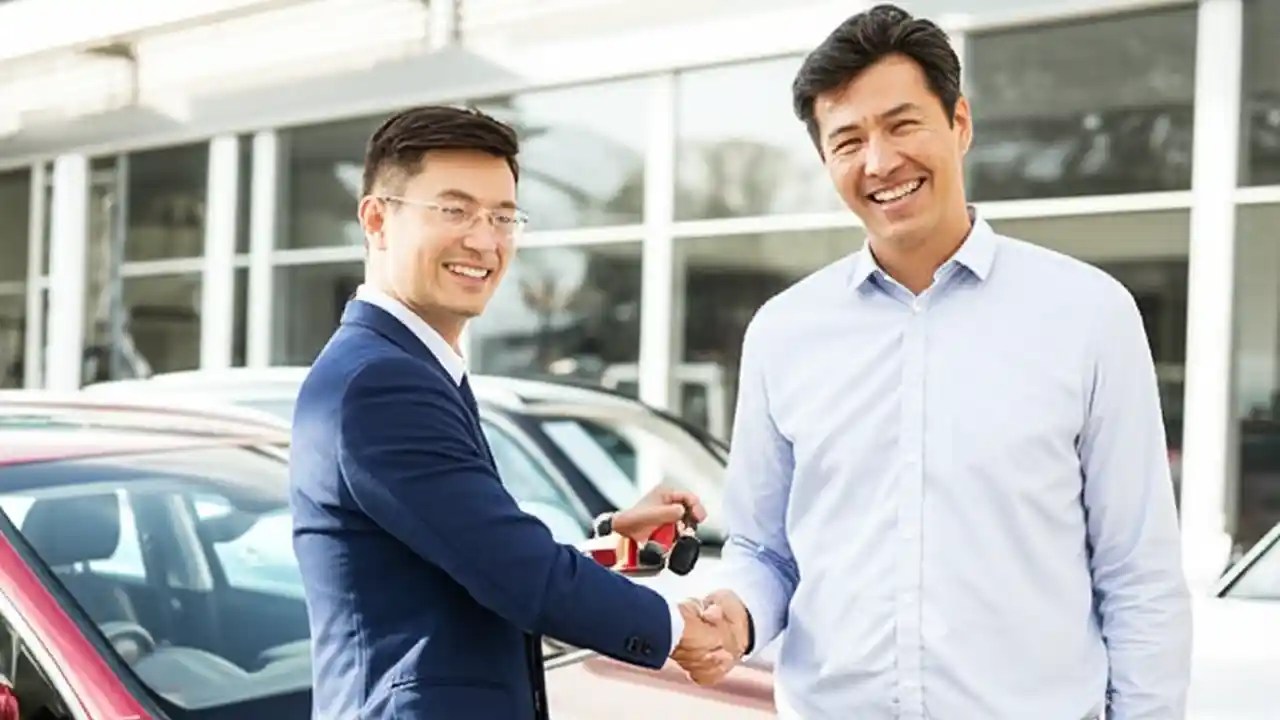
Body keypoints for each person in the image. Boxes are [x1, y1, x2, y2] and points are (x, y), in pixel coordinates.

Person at [671, 4, 1193, 718]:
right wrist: (737, 616)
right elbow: (764, 550)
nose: (880, 162)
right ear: (826, 160)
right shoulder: (783, 333)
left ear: (960, 124)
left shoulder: (1090, 316)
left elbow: (1139, 575)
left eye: (902, 124)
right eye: (847, 139)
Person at [289, 105, 738, 720]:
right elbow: (517, 576)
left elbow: (469, 562)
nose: (484, 239)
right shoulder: (381, 381)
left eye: (503, 216)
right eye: (454, 210)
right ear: (377, 220)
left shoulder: (405, 366)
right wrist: (676, 628)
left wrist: (605, 548)